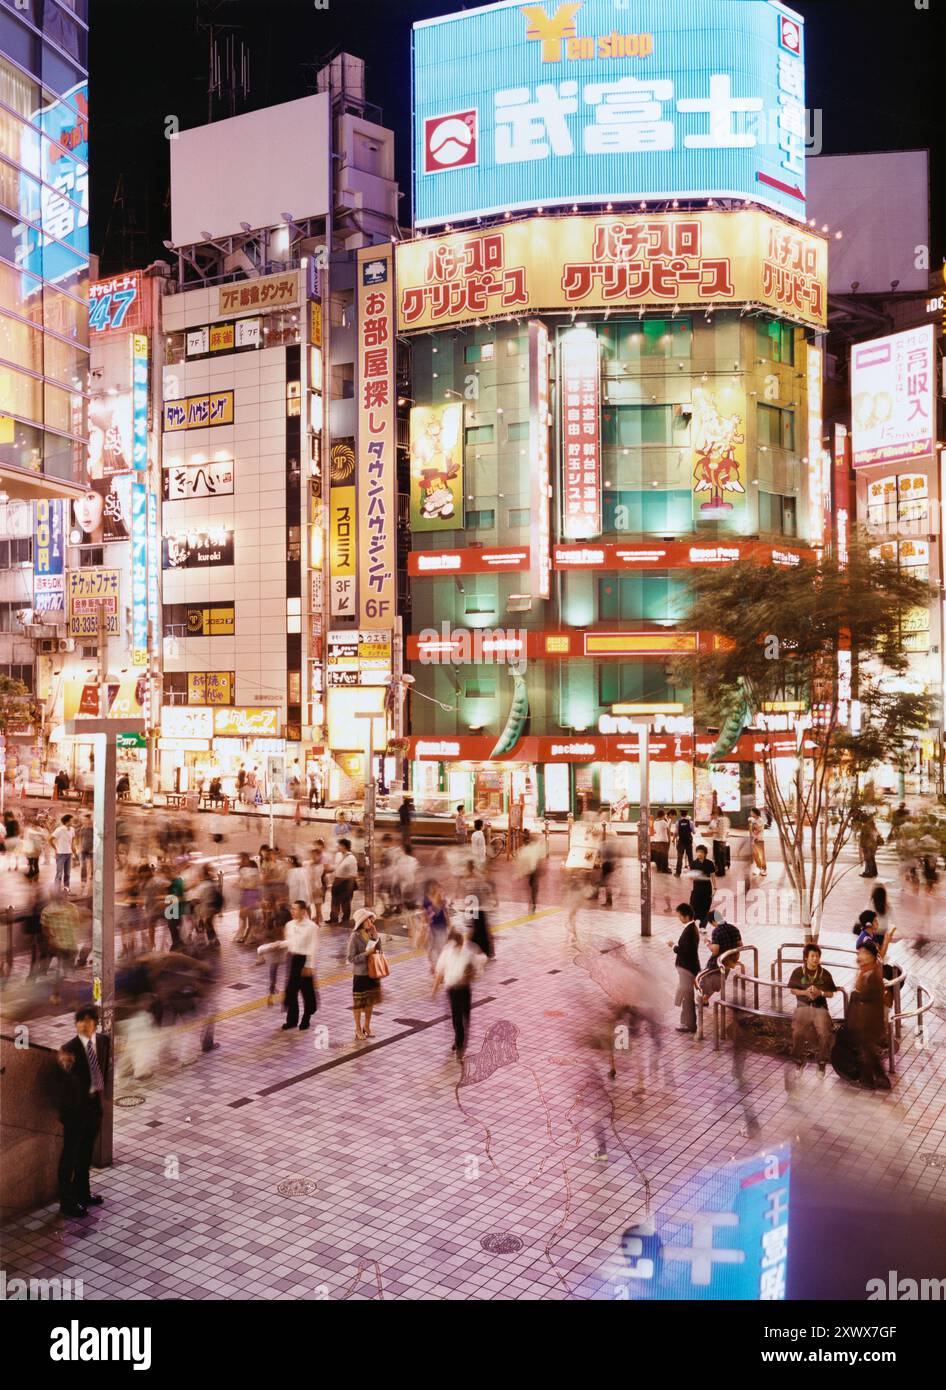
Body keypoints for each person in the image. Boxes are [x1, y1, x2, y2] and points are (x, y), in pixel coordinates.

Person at [56, 1005, 109, 1217]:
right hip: (75, 1112)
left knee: (86, 1153)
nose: (84, 1025)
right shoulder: (68, 1049)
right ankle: (66, 1203)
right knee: (70, 1155)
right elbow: (62, 1083)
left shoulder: (104, 1041)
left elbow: (104, 1068)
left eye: (88, 1020)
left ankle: (83, 1193)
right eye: (80, 1021)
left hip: (94, 1106)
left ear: (95, 1022)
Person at [835, 941, 890, 1090]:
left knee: (866, 1051)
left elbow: (867, 995)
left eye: (863, 953)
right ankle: (880, 1079)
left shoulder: (872, 974)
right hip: (865, 1019)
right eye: (859, 952)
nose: (860, 955)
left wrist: (857, 993)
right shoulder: (866, 970)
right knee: (868, 1050)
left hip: (868, 1021)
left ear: (871, 956)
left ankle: (868, 1081)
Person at [432, 927, 483, 1059]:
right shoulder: (447, 951)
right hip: (452, 989)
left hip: (465, 989)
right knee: (456, 1018)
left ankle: (460, 1043)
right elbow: (440, 971)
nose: (457, 946)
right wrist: (434, 990)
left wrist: (470, 976)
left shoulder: (468, 951)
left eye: (459, 943)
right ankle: (459, 1042)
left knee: (465, 1017)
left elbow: (478, 968)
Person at [787, 945, 838, 1078]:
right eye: (812, 956)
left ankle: (821, 1063)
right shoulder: (798, 972)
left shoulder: (825, 974)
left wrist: (820, 992)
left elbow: (831, 994)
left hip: (820, 1007)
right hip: (803, 1006)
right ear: (806, 958)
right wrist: (805, 992)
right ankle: (799, 1062)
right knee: (798, 1032)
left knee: (825, 1033)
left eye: (817, 956)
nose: (815, 959)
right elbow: (792, 990)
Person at [281, 899, 319, 1031]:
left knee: (307, 992)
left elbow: (313, 947)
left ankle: (306, 1017)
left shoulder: (311, 927)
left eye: (295, 909)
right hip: (292, 959)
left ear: (303, 911)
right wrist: (277, 945)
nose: (292, 911)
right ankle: (291, 1020)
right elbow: (289, 942)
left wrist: (309, 966)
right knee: (291, 991)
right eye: (291, 908)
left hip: (304, 960)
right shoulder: (289, 925)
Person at [347, 906, 383, 1041]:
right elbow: (351, 958)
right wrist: (365, 954)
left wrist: (376, 936)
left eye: (371, 919)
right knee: (359, 1003)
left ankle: (366, 1026)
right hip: (360, 974)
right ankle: (357, 1028)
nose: (370, 921)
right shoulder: (354, 937)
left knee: (370, 1002)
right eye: (367, 919)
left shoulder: (372, 933)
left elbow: (379, 950)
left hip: (373, 972)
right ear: (361, 922)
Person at [669, 904, 701, 1034]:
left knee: (688, 997)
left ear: (686, 916)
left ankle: (690, 1024)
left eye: (680, 916)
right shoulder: (691, 928)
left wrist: (673, 946)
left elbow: (685, 951)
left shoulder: (690, 931)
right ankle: (686, 1021)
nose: (679, 918)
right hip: (689, 968)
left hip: (687, 969)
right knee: (686, 995)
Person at [700, 908, 743, 1001]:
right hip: (730, 961)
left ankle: (701, 999)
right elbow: (740, 945)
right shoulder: (734, 928)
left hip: (718, 962)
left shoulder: (717, 931)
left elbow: (715, 951)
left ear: (712, 921)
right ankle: (704, 999)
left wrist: (707, 943)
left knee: (703, 979)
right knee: (717, 982)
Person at [422, 880, 450, 972]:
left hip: (441, 926)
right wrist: (424, 925)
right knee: (431, 948)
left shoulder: (441, 899)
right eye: (437, 887)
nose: (439, 889)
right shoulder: (426, 899)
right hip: (432, 927)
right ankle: (434, 965)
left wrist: (449, 924)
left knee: (440, 947)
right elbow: (425, 913)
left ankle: (439, 968)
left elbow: (445, 912)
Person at [330, 838, 358, 926]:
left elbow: (353, 875)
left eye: (340, 845)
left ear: (344, 846)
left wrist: (350, 888)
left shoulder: (351, 858)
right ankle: (333, 918)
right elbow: (335, 867)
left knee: (345, 902)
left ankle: (345, 920)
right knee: (334, 901)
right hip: (337, 881)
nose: (338, 847)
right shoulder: (338, 855)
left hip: (346, 882)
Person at [688, 843, 716, 930]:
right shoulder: (693, 863)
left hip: (707, 890)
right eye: (698, 852)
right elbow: (691, 877)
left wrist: (715, 888)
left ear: (705, 853)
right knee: (693, 906)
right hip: (696, 889)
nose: (699, 854)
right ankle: (691, 925)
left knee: (705, 908)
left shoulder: (710, 863)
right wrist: (692, 876)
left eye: (701, 852)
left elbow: (713, 876)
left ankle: (703, 927)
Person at [517, 828, 546, 911]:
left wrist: (520, 873)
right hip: (533, 869)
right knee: (533, 886)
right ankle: (533, 901)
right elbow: (540, 858)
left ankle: (532, 901)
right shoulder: (533, 847)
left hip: (531, 869)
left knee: (532, 886)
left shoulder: (526, 849)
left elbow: (539, 858)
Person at [52, 814, 75, 892]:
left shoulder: (72, 829)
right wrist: (55, 849)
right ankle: (56, 891)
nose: (73, 821)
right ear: (67, 821)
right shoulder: (59, 830)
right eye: (71, 820)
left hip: (69, 853)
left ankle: (66, 889)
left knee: (67, 873)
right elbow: (50, 839)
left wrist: (73, 849)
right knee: (59, 873)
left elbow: (73, 840)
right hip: (61, 854)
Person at [708, 809, 730, 878]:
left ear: (716, 813)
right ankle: (722, 871)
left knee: (718, 857)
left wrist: (711, 831)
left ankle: (720, 872)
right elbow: (726, 830)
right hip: (723, 840)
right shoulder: (726, 819)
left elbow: (718, 830)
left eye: (714, 814)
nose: (713, 816)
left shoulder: (719, 820)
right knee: (722, 856)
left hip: (718, 840)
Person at [674, 809, 695, 876]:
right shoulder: (691, 822)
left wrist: (674, 839)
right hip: (688, 842)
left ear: (681, 814)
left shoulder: (678, 822)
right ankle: (692, 872)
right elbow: (694, 832)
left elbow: (676, 832)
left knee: (679, 858)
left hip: (681, 842)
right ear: (686, 814)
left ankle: (678, 873)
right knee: (690, 857)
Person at [651, 809, 671, 875]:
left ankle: (659, 868)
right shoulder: (664, 822)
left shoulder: (655, 822)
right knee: (664, 856)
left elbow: (654, 830)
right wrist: (669, 839)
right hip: (664, 840)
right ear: (663, 815)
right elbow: (668, 831)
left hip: (657, 840)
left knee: (658, 855)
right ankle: (665, 869)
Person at [747, 808, 766, 875]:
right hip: (754, 840)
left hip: (759, 840)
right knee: (756, 856)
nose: (750, 813)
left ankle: (764, 870)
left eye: (751, 812)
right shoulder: (753, 820)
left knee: (761, 855)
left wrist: (753, 824)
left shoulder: (760, 820)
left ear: (755, 813)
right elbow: (751, 831)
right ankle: (758, 868)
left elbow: (758, 830)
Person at [77, 814, 94, 887]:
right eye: (83, 820)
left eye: (85, 820)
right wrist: (80, 846)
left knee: (92, 864)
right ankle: (83, 880)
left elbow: (96, 839)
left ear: (89, 820)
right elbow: (80, 838)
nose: (84, 821)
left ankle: (92, 875)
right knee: (83, 865)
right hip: (83, 849)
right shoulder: (82, 829)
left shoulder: (92, 829)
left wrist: (93, 848)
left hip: (91, 849)